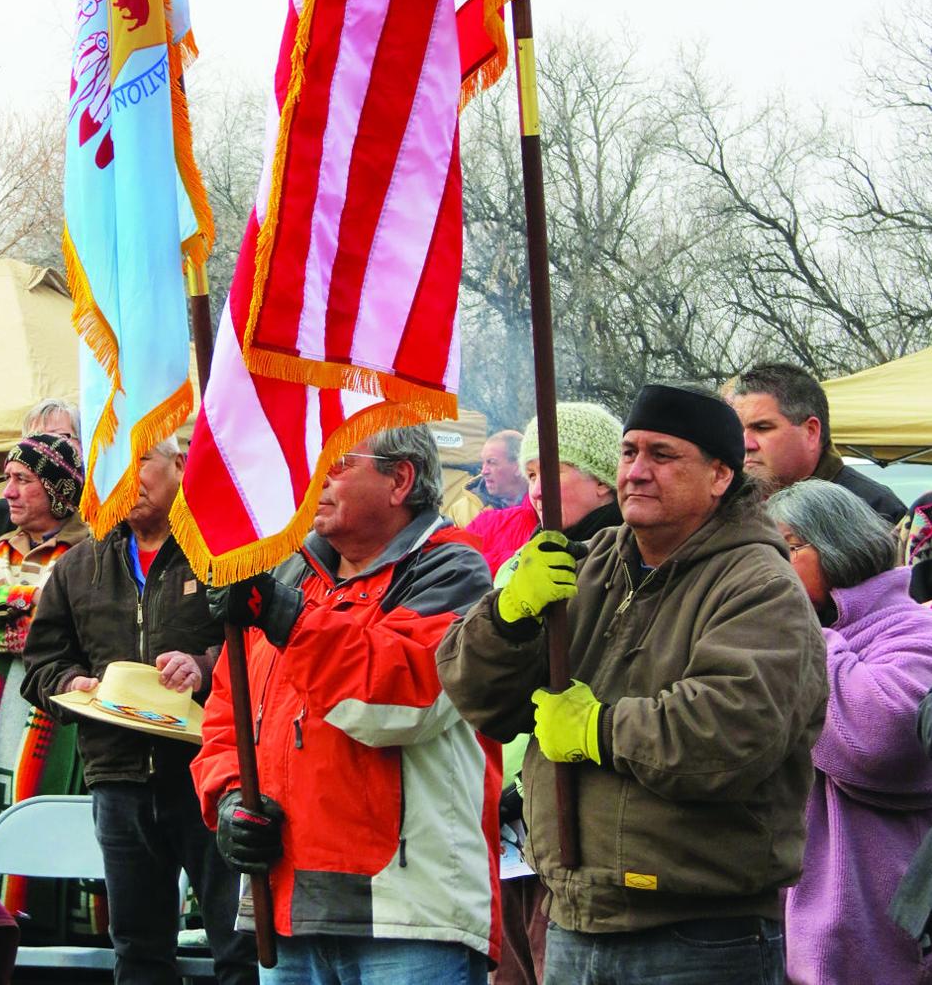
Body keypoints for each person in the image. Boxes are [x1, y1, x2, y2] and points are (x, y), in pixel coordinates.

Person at [437, 382, 829, 985]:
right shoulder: (587, 564)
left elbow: (733, 731)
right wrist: (507, 618)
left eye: (662, 456)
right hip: (573, 917)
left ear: (720, 476)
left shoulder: (759, 584)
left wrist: (597, 728)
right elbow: (479, 696)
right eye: (628, 453)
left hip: (700, 933)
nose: (637, 472)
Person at [193, 424, 500, 985]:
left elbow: (403, 702)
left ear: (399, 480)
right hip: (287, 907)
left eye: (336, 464)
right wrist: (232, 798)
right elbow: (225, 714)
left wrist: (286, 618)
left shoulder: (454, 571)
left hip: (409, 918)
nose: (315, 479)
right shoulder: (288, 575)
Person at [21, 436, 256, 985]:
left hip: (213, 776)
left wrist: (203, 665)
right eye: (113, 467)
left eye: (141, 460)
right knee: (138, 952)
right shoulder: (80, 564)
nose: (128, 478)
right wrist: (71, 684)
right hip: (118, 779)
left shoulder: (228, 552)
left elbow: (267, 646)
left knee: (239, 948)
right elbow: (41, 663)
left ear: (182, 464)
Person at [766, 479, 932, 985]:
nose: (769, 571)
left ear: (838, 544)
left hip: (884, 942)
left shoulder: (915, 627)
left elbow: (874, 738)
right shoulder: (786, 632)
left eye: (785, 549)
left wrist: (800, 633)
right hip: (789, 935)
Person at [495, 402, 623, 985]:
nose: (537, 491)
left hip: (589, 834)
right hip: (519, 824)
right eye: (528, 477)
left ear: (602, 477)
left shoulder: (632, 562)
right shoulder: (525, 563)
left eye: (552, 470)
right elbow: (490, 693)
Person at [0, 433, 89, 934]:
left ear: (58, 490)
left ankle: (41, 926)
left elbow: (69, 624)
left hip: (47, 710)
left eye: (22, 479)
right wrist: (29, 599)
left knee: (35, 803)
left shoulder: (87, 551)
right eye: (7, 478)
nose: (7, 491)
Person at [727, 361, 905, 523]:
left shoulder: (877, 511)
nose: (746, 444)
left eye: (762, 428)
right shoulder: (725, 507)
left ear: (811, 432)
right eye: (738, 430)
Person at [0, 398, 82, 567]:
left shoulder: (103, 521)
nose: (46, 447)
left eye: (57, 436)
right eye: (34, 439)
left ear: (84, 443)